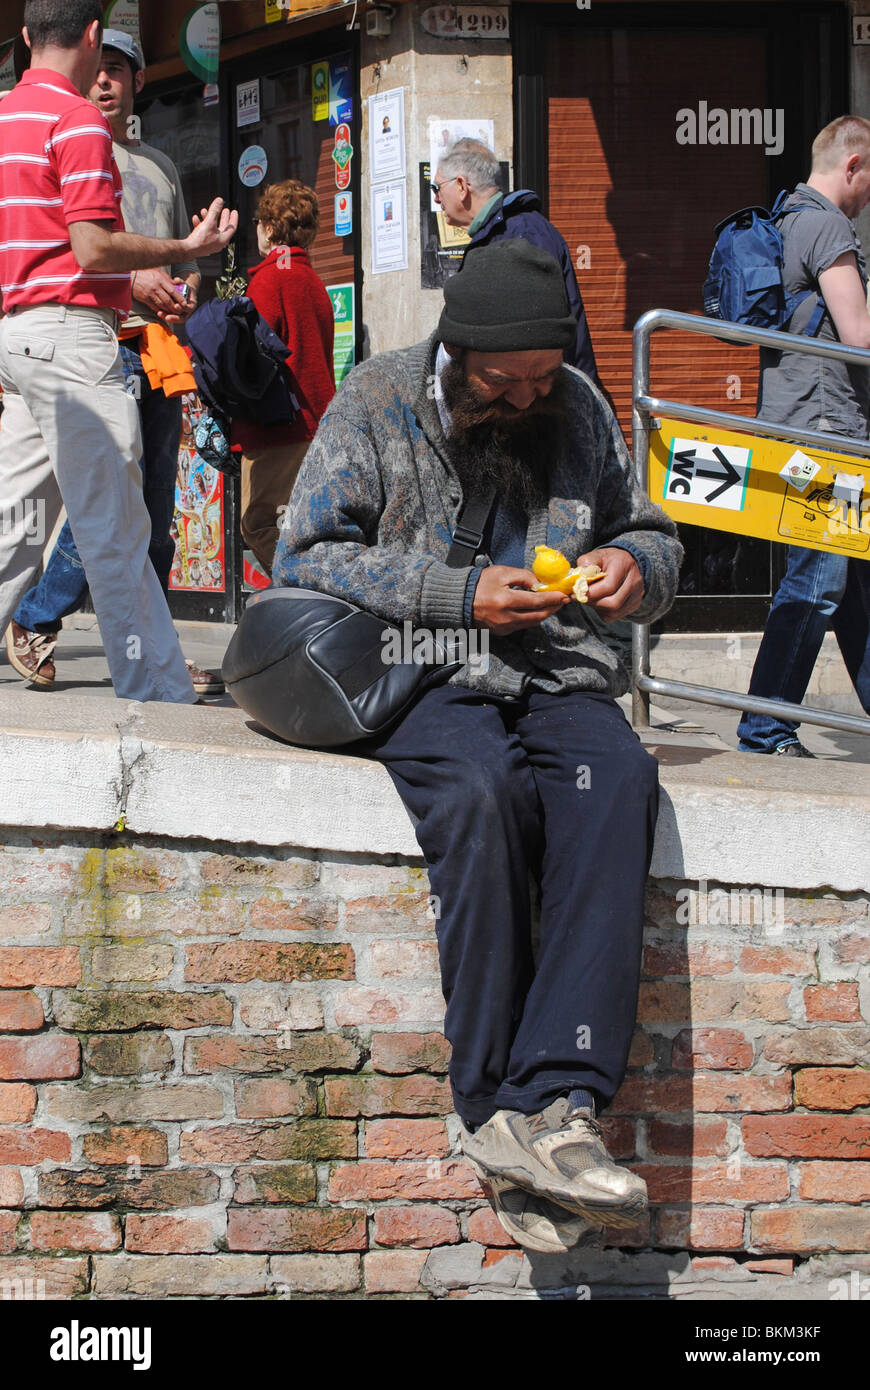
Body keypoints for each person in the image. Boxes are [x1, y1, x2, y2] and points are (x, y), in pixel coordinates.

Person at [272, 239, 683, 1250]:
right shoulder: (377, 398)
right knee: (481, 790)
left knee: (617, 777)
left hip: (558, 667)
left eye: (542, 379)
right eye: (506, 382)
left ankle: (563, 1100)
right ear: (459, 358)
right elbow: (308, 553)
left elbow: (654, 530)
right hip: (426, 663)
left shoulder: (577, 406)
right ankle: (496, 1102)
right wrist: (456, 593)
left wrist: (635, 562)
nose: (526, 399)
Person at [0, 0, 237, 704]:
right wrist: (186, 248)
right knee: (115, 529)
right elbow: (93, 246)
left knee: (15, 521)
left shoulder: (3, 118)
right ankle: (158, 690)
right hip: (73, 341)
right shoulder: (75, 121)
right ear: (92, 35)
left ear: (23, 38)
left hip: (17, 338)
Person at [738, 116, 870, 757]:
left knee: (851, 581)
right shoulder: (829, 224)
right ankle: (764, 726)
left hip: (797, 422)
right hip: (827, 430)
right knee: (818, 579)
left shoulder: (786, 218)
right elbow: (860, 336)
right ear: (852, 165)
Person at [231, 180, 335, 576]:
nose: (256, 228)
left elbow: (249, 355)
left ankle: (311, 596)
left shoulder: (270, 278)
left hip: (278, 427)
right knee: (297, 525)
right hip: (314, 424)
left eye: (259, 221)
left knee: (262, 525)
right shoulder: (313, 281)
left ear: (271, 228)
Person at [432, 137, 599, 382]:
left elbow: (536, 338)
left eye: (437, 188)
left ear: (460, 186)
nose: (436, 199)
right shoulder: (503, 232)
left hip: (539, 399)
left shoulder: (521, 234)